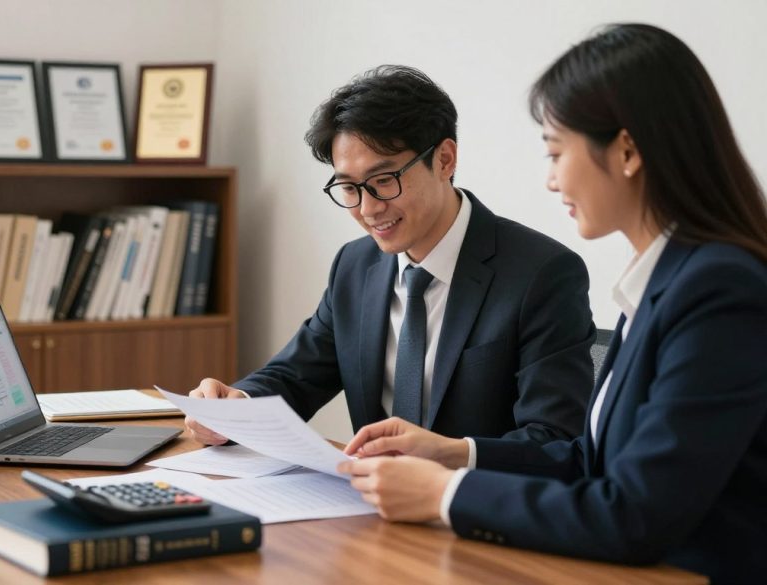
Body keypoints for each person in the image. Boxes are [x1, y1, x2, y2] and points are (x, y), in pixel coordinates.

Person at [338, 24, 767, 583]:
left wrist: (446, 494)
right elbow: (590, 462)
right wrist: (454, 455)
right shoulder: (666, 280)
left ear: (628, 150)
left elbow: (635, 514)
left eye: (556, 152)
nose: (549, 180)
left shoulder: (719, 291)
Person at [186, 66, 596, 447]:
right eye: (349, 188)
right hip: (374, 508)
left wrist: (449, 458)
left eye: (384, 180)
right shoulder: (355, 265)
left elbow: (554, 440)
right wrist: (235, 404)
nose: (367, 209)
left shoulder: (541, 274)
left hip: (476, 511)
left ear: (445, 160)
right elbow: (296, 376)